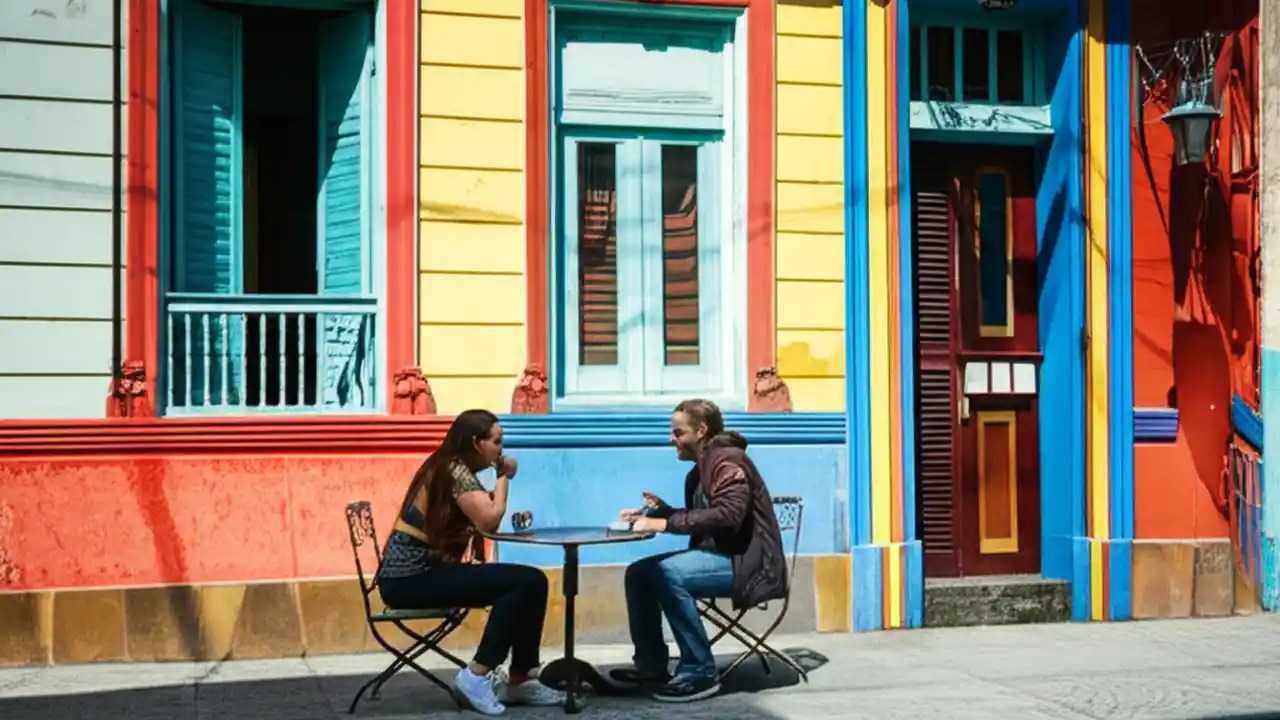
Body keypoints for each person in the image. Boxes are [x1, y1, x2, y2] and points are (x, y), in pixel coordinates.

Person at [376, 409, 564, 716]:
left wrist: (498, 479)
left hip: (425, 575)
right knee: (522, 582)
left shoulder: (450, 467)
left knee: (532, 581)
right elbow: (489, 522)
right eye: (497, 442)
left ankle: (520, 678)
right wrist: (503, 474)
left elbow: (482, 518)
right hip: (409, 582)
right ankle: (477, 674)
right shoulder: (453, 470)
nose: (501, 449)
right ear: (477, 443)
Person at [609, 399, 788, 703]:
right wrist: (660, 512)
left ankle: (699, 672)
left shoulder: (728, 462)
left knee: (666, 574)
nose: (671, 439)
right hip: (724, 558)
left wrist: (662, 523)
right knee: (638, 573)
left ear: (701, 430)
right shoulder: (698, 471)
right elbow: (706, 518)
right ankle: (651, 667)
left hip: (751, 566)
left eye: (678, 432)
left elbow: (728, 515)